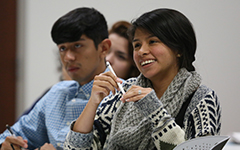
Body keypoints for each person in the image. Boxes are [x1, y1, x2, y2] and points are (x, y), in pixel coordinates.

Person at [64, 8, 222, 150]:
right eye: (137, 45)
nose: (142, 51)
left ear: (179, 49)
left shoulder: (201, 99)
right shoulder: (123, 92)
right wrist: (93, 102)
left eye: (152, 42)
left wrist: (155, 111)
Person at [0, 7, 111, 150]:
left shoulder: (123, 96)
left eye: (77, 46)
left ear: (104, 48)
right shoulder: (57, 92)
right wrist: (7, 144)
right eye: (62, 48)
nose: (68, 57)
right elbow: (12, 135)